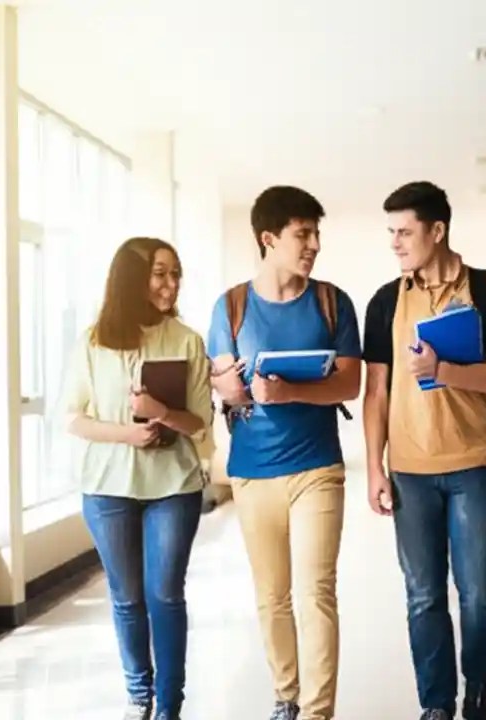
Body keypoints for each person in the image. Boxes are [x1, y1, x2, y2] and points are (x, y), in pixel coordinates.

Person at [361, 181, 486, 720]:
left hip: (475, 465)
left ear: (438, 230)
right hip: (409, 471)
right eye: (391, 233)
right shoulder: (385, 301)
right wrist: (373, 469)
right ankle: (436, 704)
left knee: (478, 591)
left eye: (404, 232)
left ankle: (478, 685)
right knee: (423, 595)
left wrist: (443, 371)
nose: (396, 243)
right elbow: (376, 391)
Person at [206, 185, 362, 720]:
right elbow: (221, 383)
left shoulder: (331, 302)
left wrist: (291, 391)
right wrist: (228, 387)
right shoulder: (230, 307)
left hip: (317, 467)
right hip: (252, 471)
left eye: (317, 233)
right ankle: (286, 698)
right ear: (269, 239)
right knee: (271, 596)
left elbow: (349, 383)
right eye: (304, 234)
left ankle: (318, 712)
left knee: (316, 591)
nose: (315, 243)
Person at [62, 237, 213, 720]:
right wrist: (129, 433)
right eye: (160, 274)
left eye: (175, 274)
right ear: (133, 278)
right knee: (126, 598)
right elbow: (73, 418)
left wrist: (162, 413)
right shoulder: (92, 341)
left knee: (164, 594)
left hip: (174, 487)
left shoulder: (187, 340)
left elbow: (200, 424)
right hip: (107, 489)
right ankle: (138, 695)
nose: (171, 284)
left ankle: (169, 705)